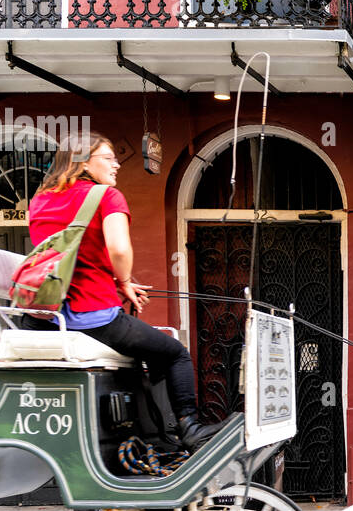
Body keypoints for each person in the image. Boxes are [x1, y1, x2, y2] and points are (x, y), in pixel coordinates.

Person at [23, 132, 224, 451]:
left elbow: (64, 257)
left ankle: (158, 434)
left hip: (43, 318)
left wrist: (120, 283)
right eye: (108, 158)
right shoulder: (106, 196)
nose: (117, 165)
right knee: (174, 352)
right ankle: (188, 427)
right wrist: (125, 278)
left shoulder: (40, 201)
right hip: (92, 317)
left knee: (151, 354)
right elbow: (118, 249)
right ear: (82, 161)